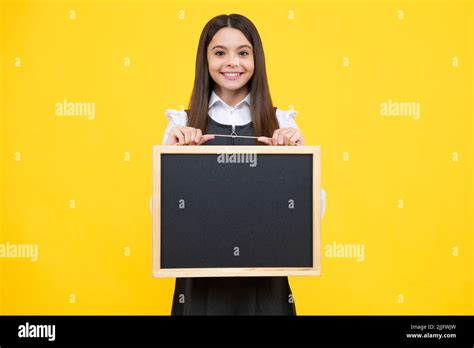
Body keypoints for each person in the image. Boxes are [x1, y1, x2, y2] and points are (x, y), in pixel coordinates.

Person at [161, 14, 326, 315]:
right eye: (220, 52)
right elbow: (162, 217)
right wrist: (175, 160)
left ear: (255, 59)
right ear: (206, 59)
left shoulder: (282, 123)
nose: (232, 63)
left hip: (266, 290)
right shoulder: (182, 125)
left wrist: (299, 163)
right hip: (199, 291)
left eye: (243, 53)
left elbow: (314, 214)